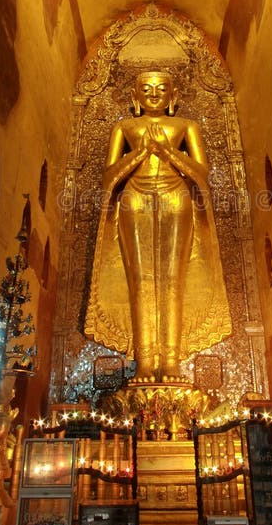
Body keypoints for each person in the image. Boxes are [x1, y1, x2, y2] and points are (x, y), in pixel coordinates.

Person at [85, 70, 231, 381]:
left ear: (172, 96)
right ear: (135, 97)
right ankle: (145, 363)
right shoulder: (124, 127)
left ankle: (171, 363)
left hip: (176, 198)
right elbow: (109, 177)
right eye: (146, 89)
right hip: (134, 200)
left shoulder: (185, 126)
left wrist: (167, 152)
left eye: (161, 88)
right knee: (140, 280)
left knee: (172, 279)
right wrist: (139, 152)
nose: (153, 93)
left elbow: (202, 175)